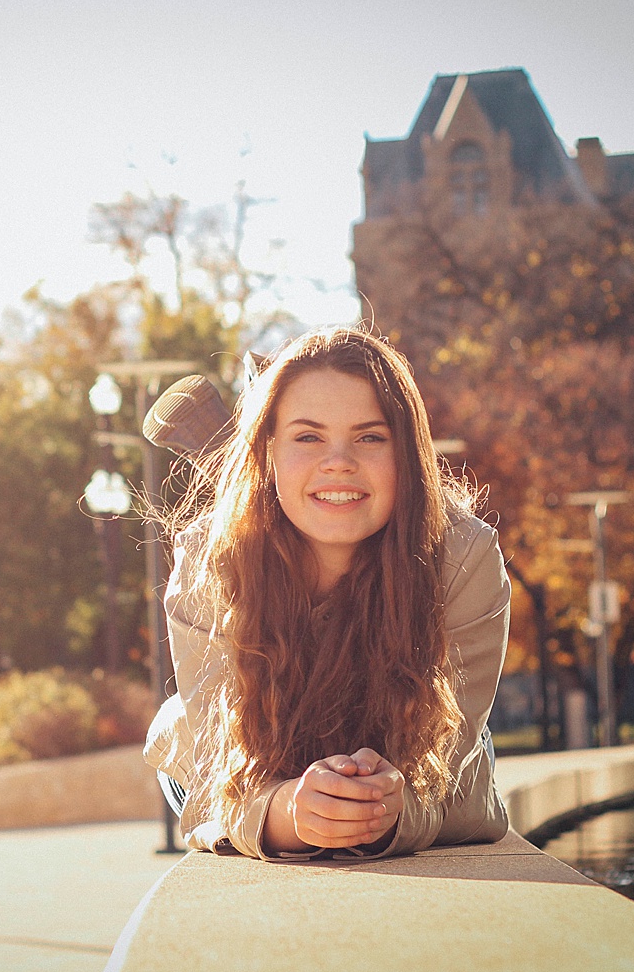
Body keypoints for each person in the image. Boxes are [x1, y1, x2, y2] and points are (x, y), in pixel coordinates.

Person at [144, 326, 512, 861]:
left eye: (370, 437)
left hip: (410, 747)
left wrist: (390, 806)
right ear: (266, 453)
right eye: (307, 437)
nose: (339, 462)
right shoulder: (210, 558)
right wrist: (287, 812)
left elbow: (442, 769)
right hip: (250, 757)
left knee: (456, 757)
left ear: (408, 453)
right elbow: (216, 768)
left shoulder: (465, 557)